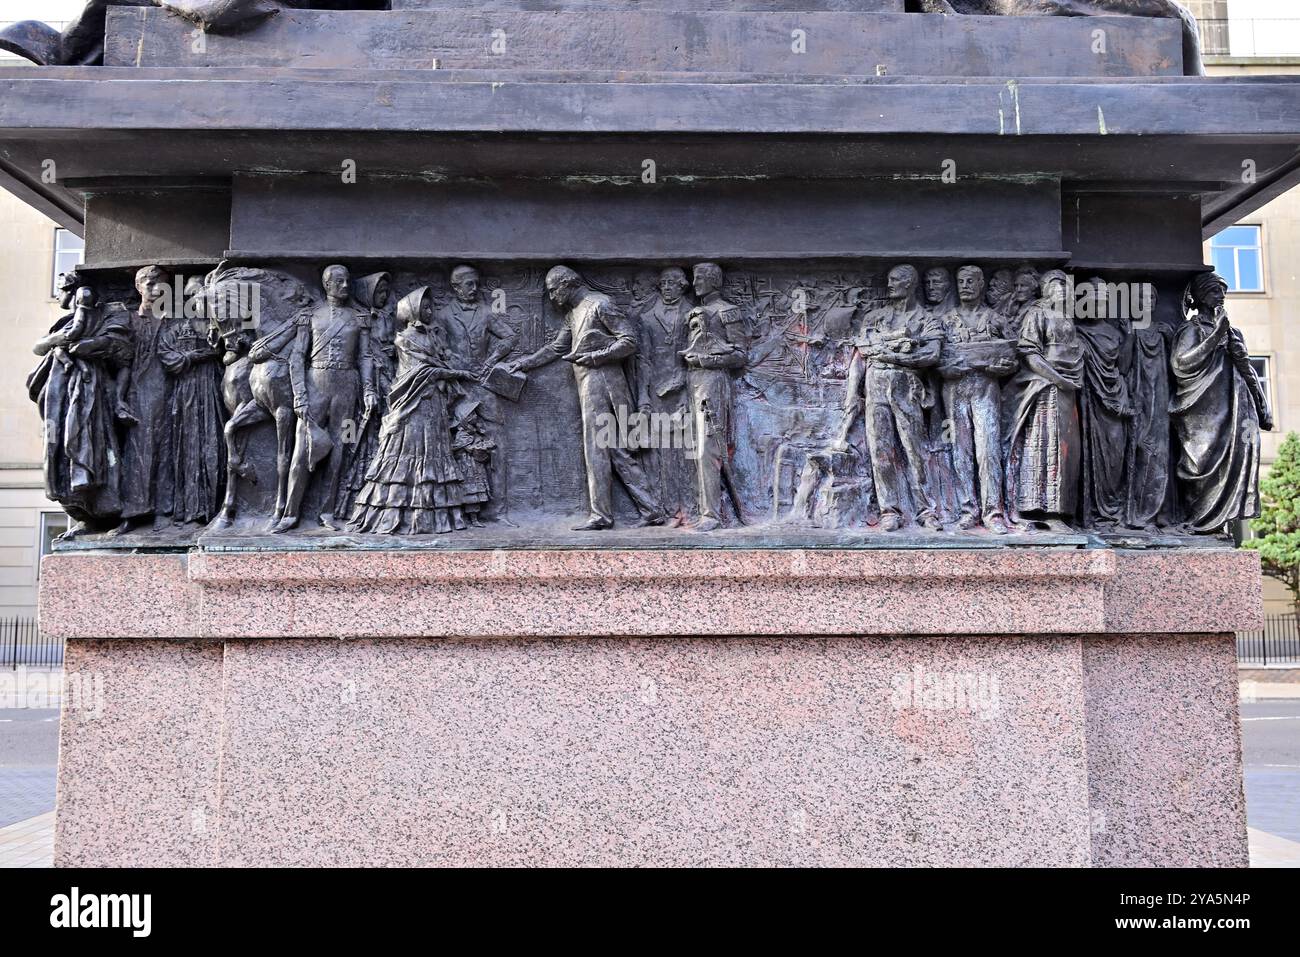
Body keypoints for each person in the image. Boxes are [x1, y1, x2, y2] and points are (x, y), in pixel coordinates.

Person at [507, 266, 667, 531]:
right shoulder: (573, 313)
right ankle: (651, 509)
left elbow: (629, 341)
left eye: (553, 290)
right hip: (589, 382)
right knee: (614, 450)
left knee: (596, 447)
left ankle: (601, 516)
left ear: (568, 284)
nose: (552, 297)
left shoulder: (600, 304)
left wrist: (597, 356)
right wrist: (524, 363)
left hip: (603, 381)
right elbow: (557, 348)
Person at [349, 287, 479, 534]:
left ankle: (434, 516)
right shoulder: (405, 339)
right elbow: (423, 371)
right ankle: (396, 513)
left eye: (432, 306)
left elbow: (441, 361)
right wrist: (459, 374)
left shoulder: (432, 336)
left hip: (434, 404)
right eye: (426, 307)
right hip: (413, 404)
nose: (431, 311)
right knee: (407, 454)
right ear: (413, 311)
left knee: (435, 453)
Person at [834, 264, 944, 532]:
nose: (890, 284)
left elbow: (931, 355)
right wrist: (854, 392)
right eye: (890, 280)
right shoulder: (874, 317)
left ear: (910, 284)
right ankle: (889, 510)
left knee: (914, 449)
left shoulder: (926, 319)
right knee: (880, 449)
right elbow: (862, 351)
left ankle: (926, 510)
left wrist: (887, 354)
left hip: (907, 386)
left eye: (896, 280)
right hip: (876, 384)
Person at [29, 277, 132, 538]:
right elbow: (38, 347)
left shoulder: (107, 320)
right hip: (59, 396)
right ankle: (82, 515)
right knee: (61, 452)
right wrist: (56, 339)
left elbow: (122, 355)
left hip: (92, 395)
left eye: (66, 292)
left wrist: (90, 346)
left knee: (96, 450)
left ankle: (108, 514)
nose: (65, 297)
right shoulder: (65, 324)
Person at [1169, 272, 1272, 533]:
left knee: (1234, 461)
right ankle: (1197, 521)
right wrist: (1215, 338)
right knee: (1200, 463)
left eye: (1222, 292)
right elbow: (1181, 364)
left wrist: (1262, 405)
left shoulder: (1232, 332)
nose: (1221, 296)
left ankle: (1216, 525)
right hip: (1200, 411)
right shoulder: (1191, 330)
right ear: (1200, 296)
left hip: (1235, 407)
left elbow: (1247, 369)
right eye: (1215, 291)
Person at [279, 264, 378, 532]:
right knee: (302, 450)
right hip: (315, 385)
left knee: (340, 450)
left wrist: (368, 390)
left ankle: (328, 511)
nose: (345, 286)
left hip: (347, 388)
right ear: (326, 284)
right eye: (339, 281)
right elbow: (297, 356)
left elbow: (365, 356)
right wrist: (299, 396)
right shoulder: (309, 315)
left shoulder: (360, 317)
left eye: (347, 281)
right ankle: (290, 513)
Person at [1003, 270, 1085, 532]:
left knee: (1065, 449)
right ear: (1045, 290)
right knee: (1045, 444)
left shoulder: (1067, 317)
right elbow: (1029, 353)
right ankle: (1039, 509)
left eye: (1065, 286)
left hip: (1067, 387)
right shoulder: (1037, 313)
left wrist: (1068, 378)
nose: (1061, 291)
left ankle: (1060, 510)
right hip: (1046, 387)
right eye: (1055, 286)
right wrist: (1057, 378)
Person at [936, 265, 1016, 533]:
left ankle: (993, 512)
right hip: (955, 390)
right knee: (960, 450)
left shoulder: (995, 319)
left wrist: (1001, 367)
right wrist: (946, 370)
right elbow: (934, 358)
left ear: (981, 284)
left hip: (986, 389)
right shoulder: (946, 321)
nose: (965, 285)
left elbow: (1013, 357)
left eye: (971, 281)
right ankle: (967, 509)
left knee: (988, 449)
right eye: (961, 281)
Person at [115, 265, 173, 534]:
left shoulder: (174, 320)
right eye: (150, 283)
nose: (156, 288)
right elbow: (123, 364)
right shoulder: (129, 320)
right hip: (140, 393)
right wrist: (119, 399)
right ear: (139, 287)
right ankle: (134, 513)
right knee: (138, 453)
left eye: (162, 283)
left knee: (169, 453)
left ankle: (166, 511)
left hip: (173, 392)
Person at [633, 266, 694, 525]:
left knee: (687, 452)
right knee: (659, 454)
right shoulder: (647, 318)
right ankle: (666, 510)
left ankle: (689, 508)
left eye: (672, 283)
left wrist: (683, 383)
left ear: (683, 286)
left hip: (686, 391)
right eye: (663, 283)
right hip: (657, 394)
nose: (667, 287)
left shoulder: (694, 314)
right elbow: (643, 360)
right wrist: (643, 397)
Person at [157, 303, 227, 525]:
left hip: (213, 388)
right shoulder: (175, 328)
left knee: (214, 446)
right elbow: (166, 356)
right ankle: (190, 509)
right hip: (186, 391)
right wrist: (193, 357)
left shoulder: (217, 324)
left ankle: (215, 508)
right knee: (187, 448)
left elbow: (231, 347)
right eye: (193, 296)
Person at [1075, 277, 1135, 528]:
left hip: (1116, 399)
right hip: (1091, 405)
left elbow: (1123, 366)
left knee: (1115, 456)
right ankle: (1095, 513)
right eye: (1094, 301)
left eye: (1104, 302)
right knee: (1092, 457)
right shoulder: (1077, 332)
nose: (1098, 306)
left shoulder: (1114, 333)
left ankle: (1115, 510)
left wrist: (1129, 335)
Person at [681, 306, 747, 532]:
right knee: (695, 449)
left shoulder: (728, 311)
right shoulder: (691, 311)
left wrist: (705, 360)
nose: (696, 281)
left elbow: (740, 355)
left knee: (707, 448)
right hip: (693, 382)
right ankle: (701, 510)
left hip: (713, 383)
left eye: (701, 276)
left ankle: (711, 515)